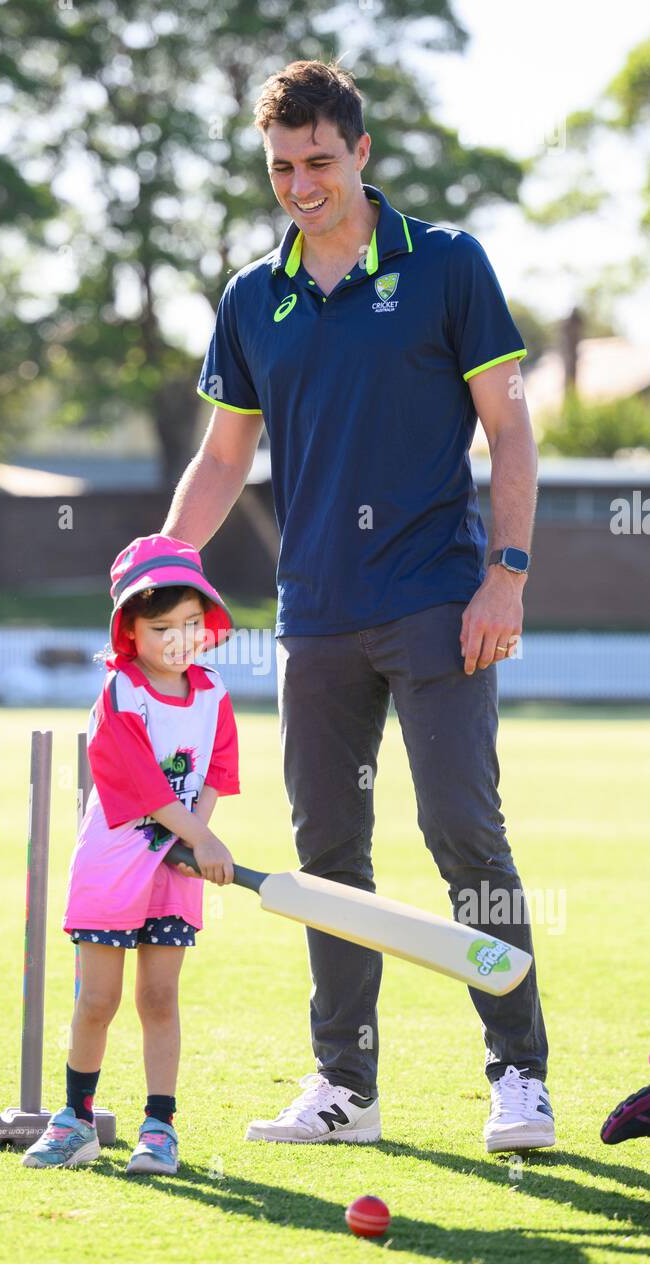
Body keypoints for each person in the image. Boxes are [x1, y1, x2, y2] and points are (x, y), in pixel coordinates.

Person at [162, 59, 553, 1154]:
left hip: (438, 597)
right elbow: (221, 455)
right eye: (280, 167)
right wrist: (156, 560)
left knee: (461, 832)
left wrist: (506, 571)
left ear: (362, 153)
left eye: (319, 163)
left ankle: (517, 1072)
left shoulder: (445, 265)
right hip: (314, 612)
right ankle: (345, 1087)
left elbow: (510, 432)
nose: (299, 185)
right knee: (325, 849)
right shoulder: (252, 296)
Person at [22, 534, 239, 1175]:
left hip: (176, 871)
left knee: (160, 998)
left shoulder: (214, 692)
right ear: (130, 630)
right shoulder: (120, 696)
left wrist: (196, 838)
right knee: (98, 999)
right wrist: (196, 839)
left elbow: (216, 772)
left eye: (191, 624)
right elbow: (141, 786)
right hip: (113, 865)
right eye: (161, 626)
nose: (179, 638)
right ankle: (76, 1122)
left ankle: (159, 1127)